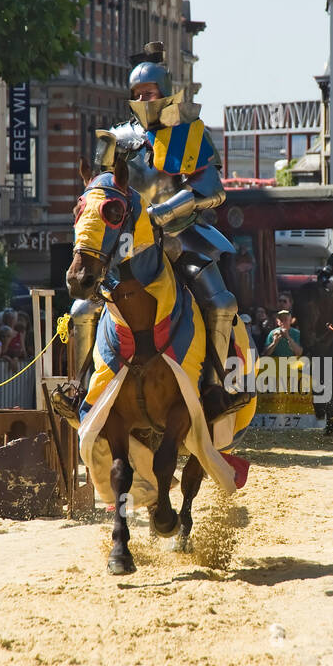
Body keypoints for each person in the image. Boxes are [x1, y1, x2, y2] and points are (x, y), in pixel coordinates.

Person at [72, 40, 246, 417]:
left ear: (164, 92)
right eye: (136, 93)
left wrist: (164, 213)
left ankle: (217, 388)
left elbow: (212, 191)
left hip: (180, 235)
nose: (143, 98)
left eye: (148, 92)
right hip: (125, 241)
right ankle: (80, 387)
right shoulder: (116, 140)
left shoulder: (189, 132)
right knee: (83, 307)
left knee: (219, 302)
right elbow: (100, 188)